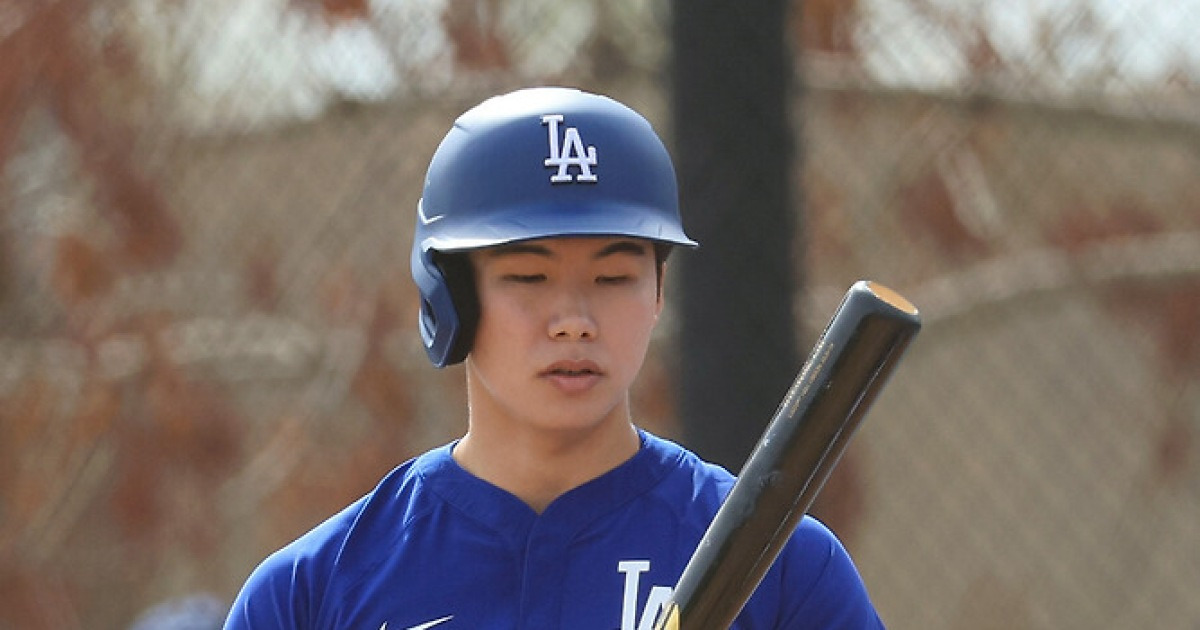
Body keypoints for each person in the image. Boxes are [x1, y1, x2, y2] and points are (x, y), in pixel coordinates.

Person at [223, 86, 884, 629]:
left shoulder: (782, 571)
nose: (574, 322)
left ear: (658, 293)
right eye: (528, 278)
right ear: (450, 297)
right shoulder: (310, 593)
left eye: (613, 277)